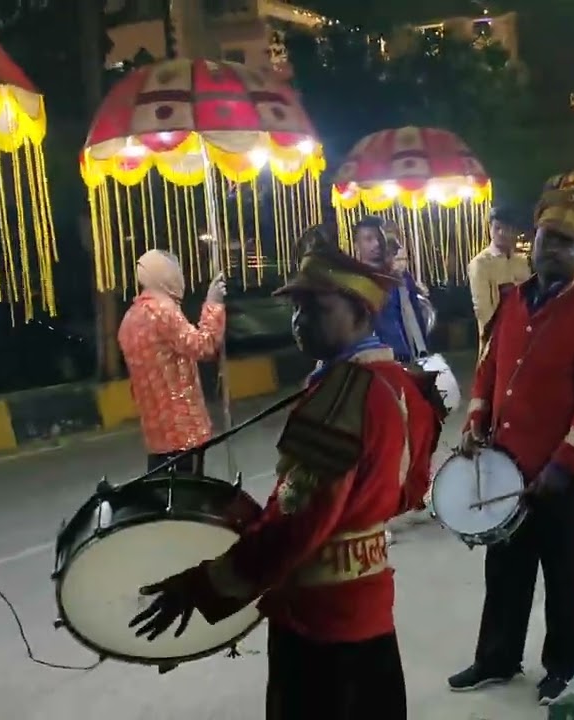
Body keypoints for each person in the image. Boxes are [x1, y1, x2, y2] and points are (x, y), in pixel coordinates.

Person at [129, 225, 446, 720]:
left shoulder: (341, 400)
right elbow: (409, 491)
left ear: (362, 312)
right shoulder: (398, 383)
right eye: (297, 309)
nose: (300, 322)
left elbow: (297, 528)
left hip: (321, 625)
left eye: (317, 309)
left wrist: (207, 585)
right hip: (371, 610)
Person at [448, 190, 574, 705]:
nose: (553, 250)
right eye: (548, 239)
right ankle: (497, 657)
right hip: (504, 464)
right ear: (535, 241)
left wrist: (567, 462)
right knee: (504, 566)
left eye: (567, 244)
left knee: (563, 571)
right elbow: (487, 369)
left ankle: (564, 664)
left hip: (558, 470)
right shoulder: (511, 300)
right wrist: (476, 420)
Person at [117, 249, 226, 474]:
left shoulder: (130, 318)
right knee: (187, 495)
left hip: (156, 436)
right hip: (184, 432)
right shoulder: (162, 310)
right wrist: (213, 304)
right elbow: (202, 346)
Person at [351, 216, 430, 362]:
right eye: (368, 239)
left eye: (379, 237)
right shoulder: (351, 282)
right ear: (357, 245)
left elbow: (417, 320)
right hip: (368, 360)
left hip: (403, 355)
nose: (376, 244)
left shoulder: (401, 279)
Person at [468, 205, 532, 341]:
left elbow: (529, 297)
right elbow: (483, 310)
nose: (502, 233)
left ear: (514, 231)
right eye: (497, 228)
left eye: (507, 228)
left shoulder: (522, 261)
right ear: (490, 228)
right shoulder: (481, 263)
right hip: (495, 338)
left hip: (523, 334)